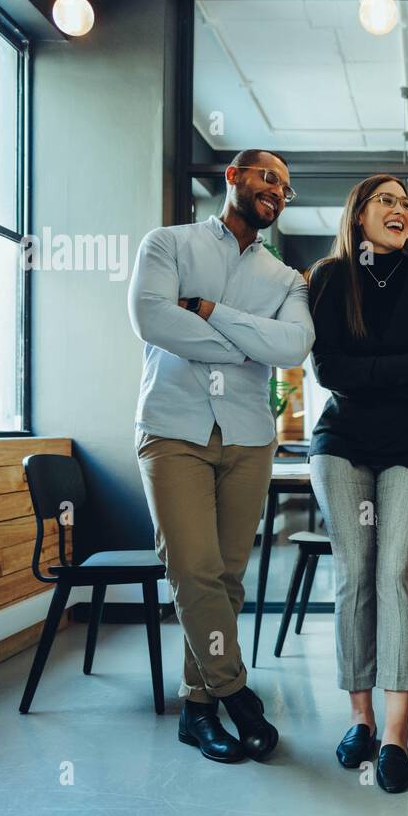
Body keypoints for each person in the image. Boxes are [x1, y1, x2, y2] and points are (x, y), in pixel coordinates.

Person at [128, 149, 314, 765]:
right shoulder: (169, 245)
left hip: (247, 438)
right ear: (232, 177)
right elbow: (152, 320)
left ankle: (197, 707)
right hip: (173, 429)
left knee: (226, 580)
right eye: (268, 177)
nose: (277, 191)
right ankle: (235, 696)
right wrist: (244, 344)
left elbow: (293, 346)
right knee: (193, 569)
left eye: (285, 187)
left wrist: (208, 311)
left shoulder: (285, 279)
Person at [306, 174, 408, 794]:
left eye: (405, 203)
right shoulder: (330, 277)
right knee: (354, 574)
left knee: (395, 573)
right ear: (359, 213)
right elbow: (331, 370)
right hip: (342, 445)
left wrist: (399, 372)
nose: (399, 210)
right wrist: (407, 365)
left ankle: (396, 732)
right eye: (386, 201)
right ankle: (360, 719)